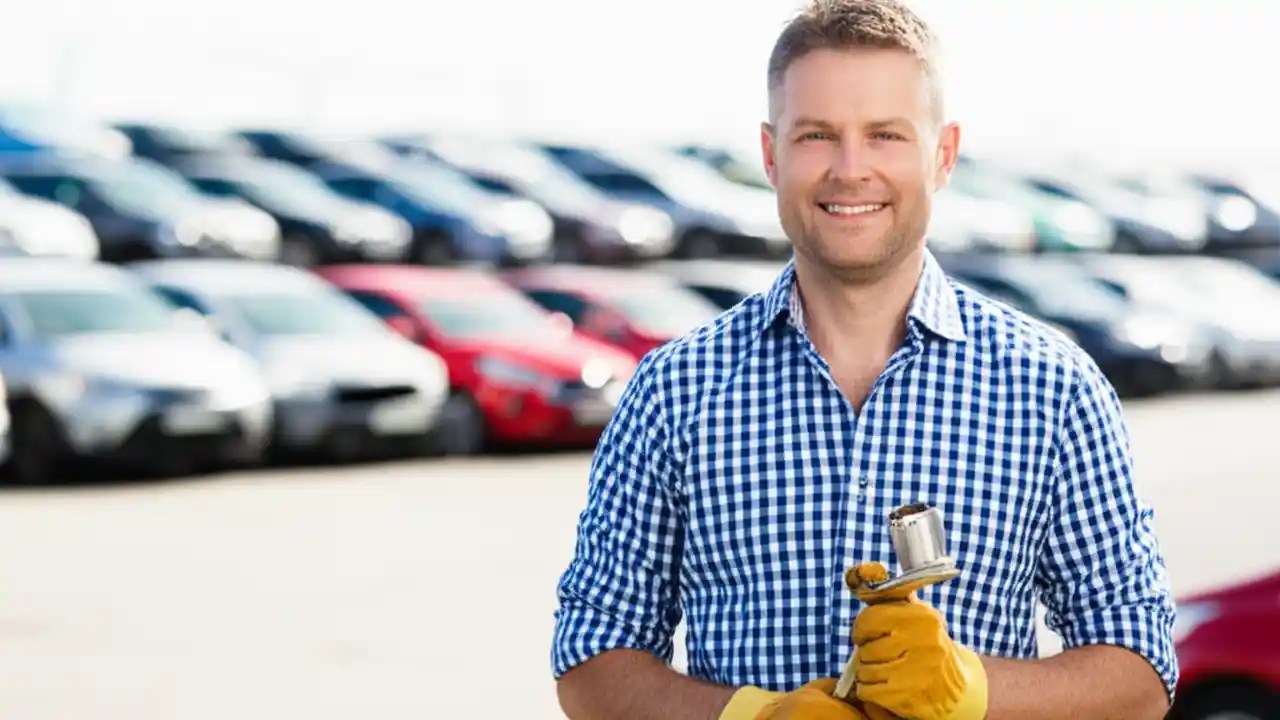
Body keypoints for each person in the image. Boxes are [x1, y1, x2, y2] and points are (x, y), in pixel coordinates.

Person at [550, 0, 1177, 718]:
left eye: (885, 135)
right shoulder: (674, 392)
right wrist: (749, 717)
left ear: (942, 154)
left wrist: (968, 689)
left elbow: (1141, 673)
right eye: (817, 135)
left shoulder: (1054, 391)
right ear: (770, 153)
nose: (851, 170)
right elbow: (591, 659)